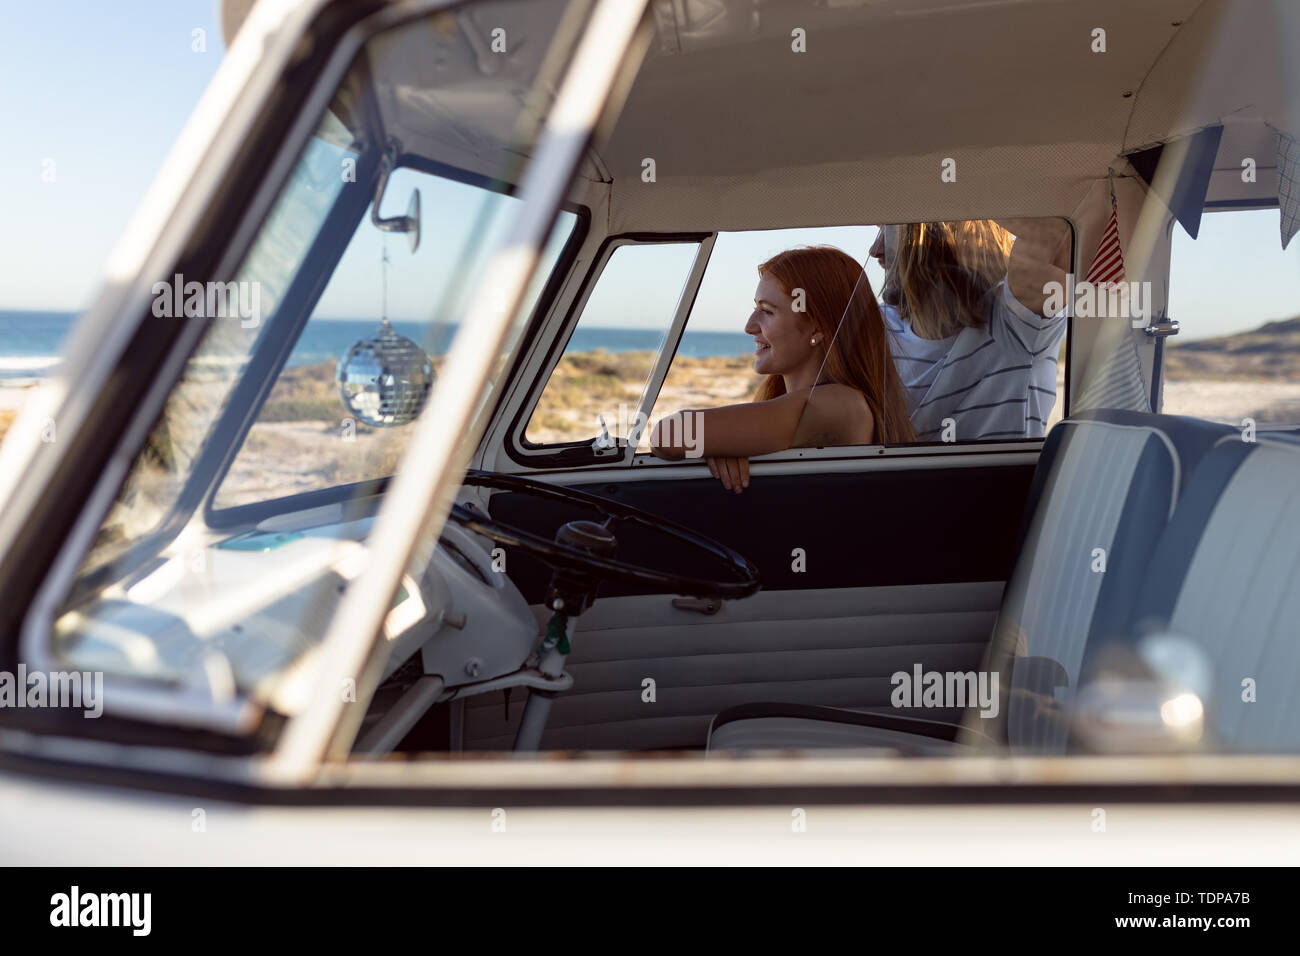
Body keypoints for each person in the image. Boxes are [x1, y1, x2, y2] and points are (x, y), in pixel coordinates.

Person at [650, 245, 914, 492]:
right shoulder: (811, 401)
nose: (750, 326)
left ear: (816, 327)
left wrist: (716, 442)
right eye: (756, 308)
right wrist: (718, 447)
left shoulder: (836, 403)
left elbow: (670, 435)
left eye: (767, 311)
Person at [869, 219, 1070, 442]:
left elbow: (1058, 232)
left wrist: (948, 192)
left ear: (941, 235)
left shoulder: (1014, 325)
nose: (875, 250)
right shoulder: (878, 326)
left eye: (891, 228)